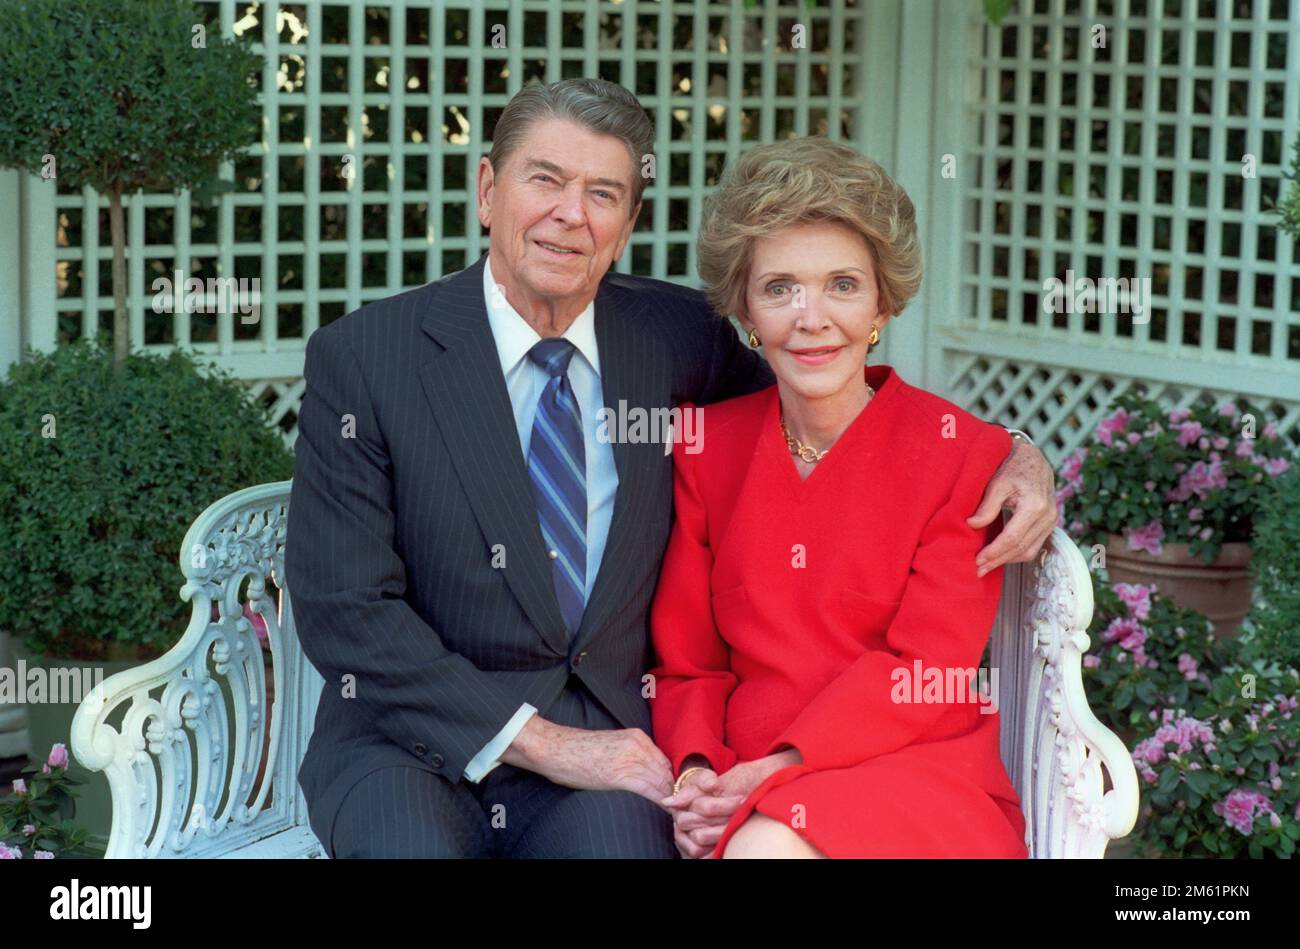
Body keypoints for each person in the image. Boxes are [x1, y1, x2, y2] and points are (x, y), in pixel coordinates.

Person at [286, 78, 1056, 858]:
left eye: (603, 192)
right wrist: (549, 743)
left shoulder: (678, 338)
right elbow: (346, 609)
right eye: (544, 179)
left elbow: (838, 399)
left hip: (612, 746)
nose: (570, 213)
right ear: (488, 189)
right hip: (410, 746)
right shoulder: (367, 359)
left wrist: (1017, 451)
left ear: (626, 223)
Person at [650, 137, 1030, 859]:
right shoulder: (706, 449)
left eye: (842, 285)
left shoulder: (961, 454)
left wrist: (774, 774)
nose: (811, 316)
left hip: (918, 778)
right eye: (780, 287)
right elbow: (689, 664)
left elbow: (927, 668)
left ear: (883, 299)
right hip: (745, 777)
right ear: (745, 312)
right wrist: (697, 771)